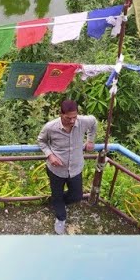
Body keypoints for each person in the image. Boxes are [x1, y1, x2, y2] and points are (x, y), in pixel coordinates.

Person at [37, 100, 98, 235]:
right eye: (68, 118)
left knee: (76, 196)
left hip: (76, 168)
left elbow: (94, 122)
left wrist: (90, 140)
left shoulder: (83, 122)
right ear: (61, 114)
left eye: (74, 117)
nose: (72, 121)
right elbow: (41, 141)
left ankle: (56, 202)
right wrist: (50, 155)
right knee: (57, 194)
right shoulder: (50, 127)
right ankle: (60, 217)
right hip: (56, 170)